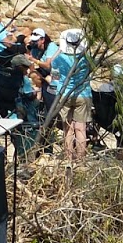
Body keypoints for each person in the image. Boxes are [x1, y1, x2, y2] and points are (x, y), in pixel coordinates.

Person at [50, 28, 92, 163]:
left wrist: (59, 50)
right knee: (81, 128)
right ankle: (81, 159)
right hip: (83, 93)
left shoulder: (60, 58)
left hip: (64, 94)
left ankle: (68, 157)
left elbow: (54, 75)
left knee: (67, 128)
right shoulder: (86, 58)